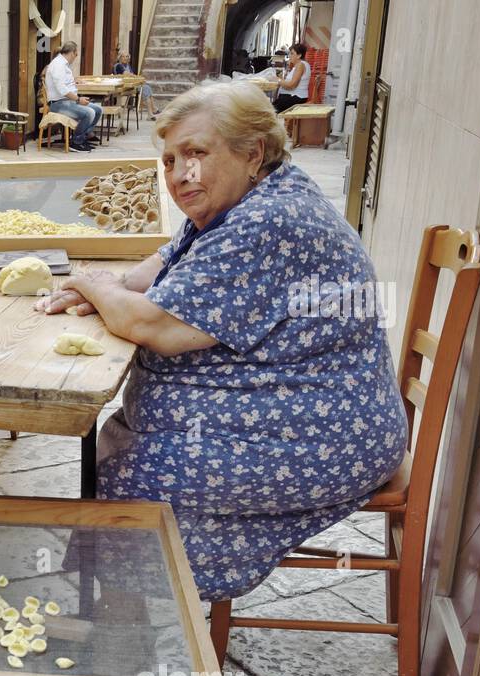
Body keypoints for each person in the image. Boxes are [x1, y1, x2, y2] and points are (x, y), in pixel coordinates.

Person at [38, 81, 408, 602]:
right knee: (116, 442)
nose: (178, 174)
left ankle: (140, 622)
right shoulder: (247, 197)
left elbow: (156, 328)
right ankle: (129, 602)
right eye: (168, 160)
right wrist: (113, 289)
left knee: (140, 475)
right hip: (306, 412)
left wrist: (88, 286)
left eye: (195, 153)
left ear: (252, 152)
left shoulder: (272, 220)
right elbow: (169, 258)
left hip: (326, 434)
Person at [44, 41, 102, 150]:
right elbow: (61, 89)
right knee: (89, 113)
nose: (75, 58)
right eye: (76, 55)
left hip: (68, 101)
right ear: (72, 53)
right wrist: (78, 99)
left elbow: (64, 83)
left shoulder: (63, 64)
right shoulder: (58, 65)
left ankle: (82, 138)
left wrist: (75, 83)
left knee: (98, 109)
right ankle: (75, 142)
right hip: (58, 104)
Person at [112, 51, 158, 118]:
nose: (125, 58)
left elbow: (132, 75)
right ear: (120, 58)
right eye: (123, 56)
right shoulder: (118, 65)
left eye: (127, 56)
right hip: (123, 87)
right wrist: (136, 77)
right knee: (146, 88)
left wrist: (136, 77)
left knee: (147, 87)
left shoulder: (127, 66)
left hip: (130, 86)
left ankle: (152, 111)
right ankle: (151, 112)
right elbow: (127, 74)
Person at [273, 41, 310, 112]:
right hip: (291, 97)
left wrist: (278, 80)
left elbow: (292, 85)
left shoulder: (300, 65)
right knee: (268, 109)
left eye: (292, 53)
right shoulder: (298, 65)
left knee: (267, 112)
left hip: (295, 98)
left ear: (299, 55)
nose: (289, 56)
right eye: (289, 53)